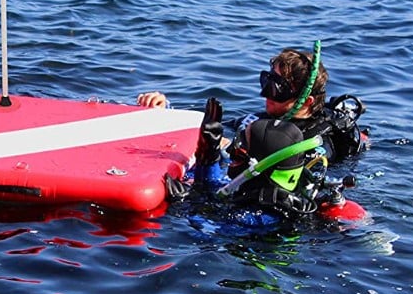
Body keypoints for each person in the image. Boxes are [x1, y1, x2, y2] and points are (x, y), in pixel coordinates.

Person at [138, 41, 369, 222]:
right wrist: (167, 112)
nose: (266, 93)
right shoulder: (261, 119)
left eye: (277, 88)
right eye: (267, 81)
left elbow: (263, 193)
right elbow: (217, 132)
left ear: (306, 101)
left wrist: (194, 197)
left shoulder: (312, 145)